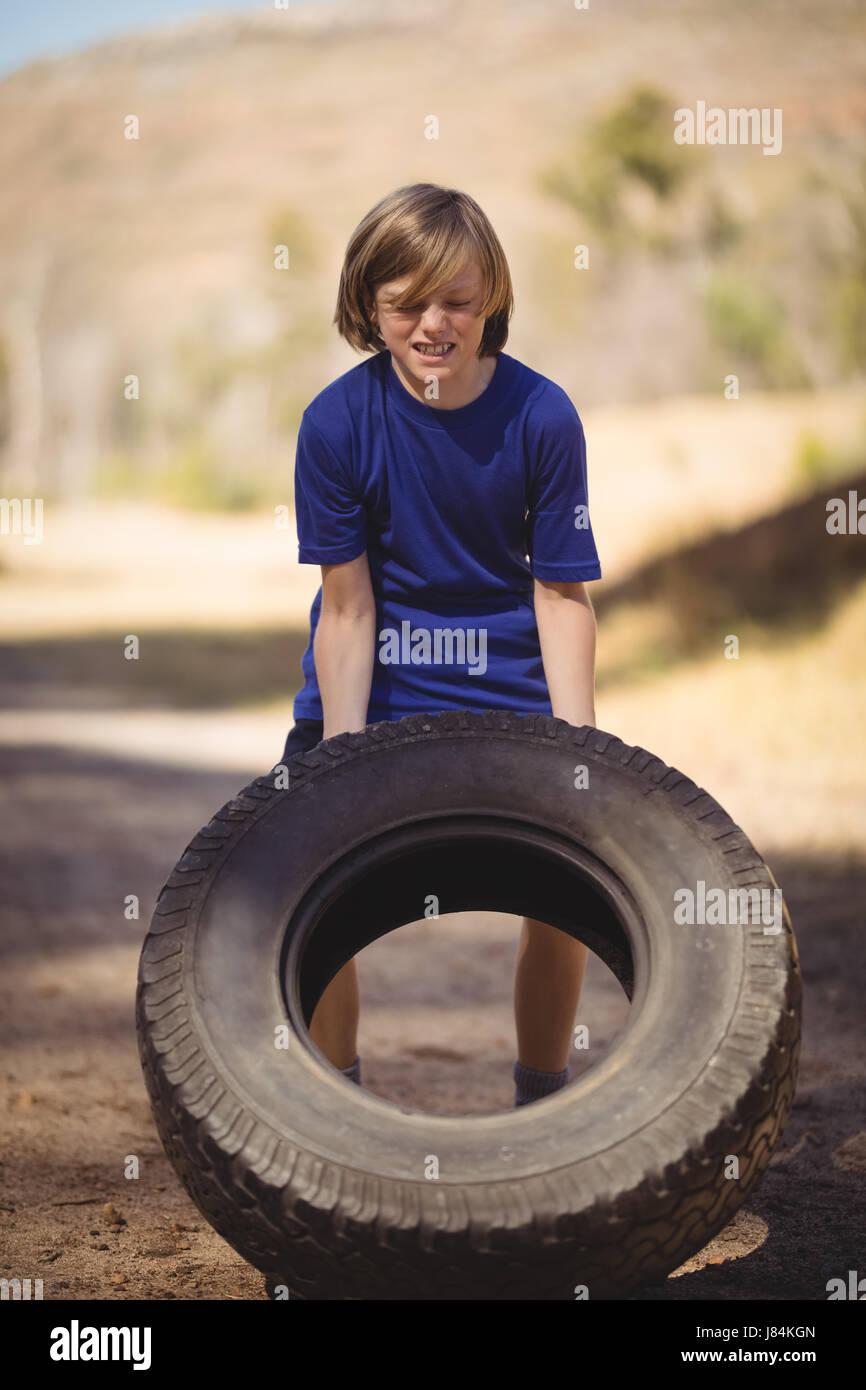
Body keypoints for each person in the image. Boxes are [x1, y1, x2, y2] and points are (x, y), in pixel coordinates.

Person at [278, 183, 601, 1108]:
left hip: (512, 692)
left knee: (569, 894)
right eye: (407, 303)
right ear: (367, 305)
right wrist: (342, 751)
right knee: (314, 893)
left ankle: (543, 1103)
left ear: (491, 297)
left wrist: (580, 744)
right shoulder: (338, 423)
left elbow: (561, 590)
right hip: (379, 687)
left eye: (457, 300)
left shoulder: (543, 416)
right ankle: (342, 1105)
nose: (434, 323)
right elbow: (346, 609)